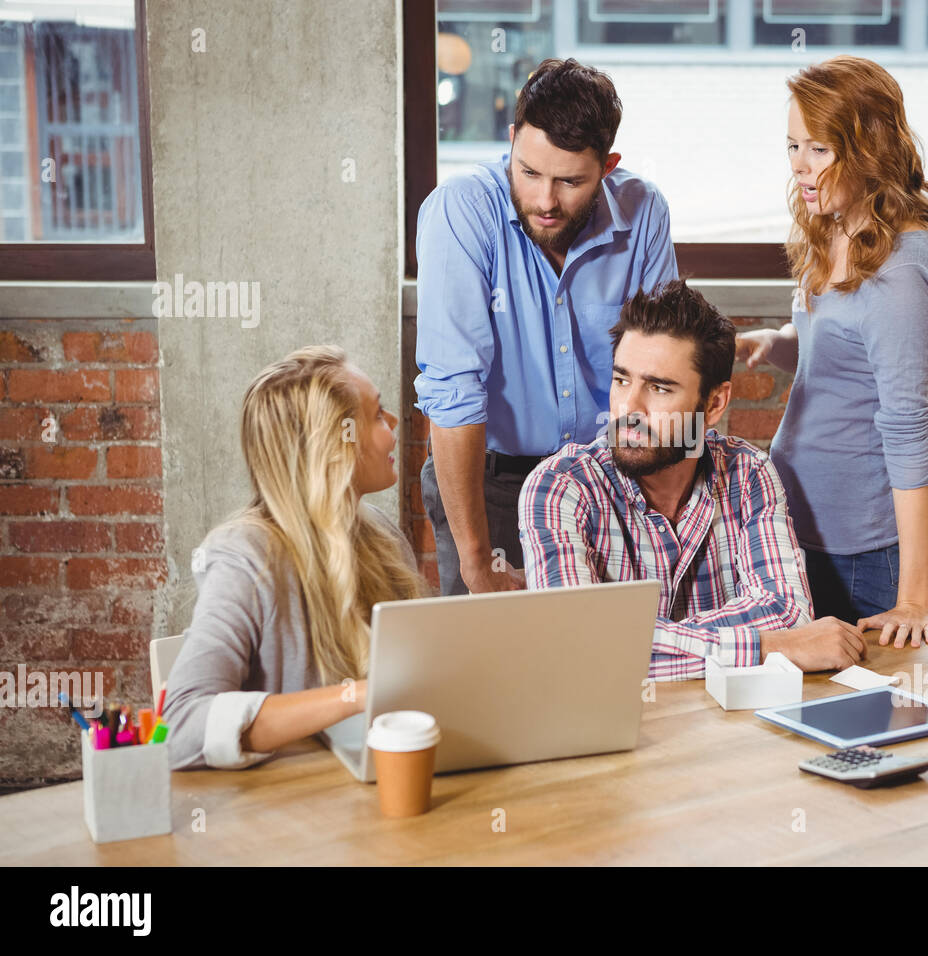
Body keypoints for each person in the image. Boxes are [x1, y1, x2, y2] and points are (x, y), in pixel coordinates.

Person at [415, 57, 677, 597]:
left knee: (604, 661)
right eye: (529, 171)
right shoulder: (460, 212)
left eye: (570, 181)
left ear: (608, 167)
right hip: (489, 483)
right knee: (490, 668)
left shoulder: (644, 211)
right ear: (512, 139)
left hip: (607, 479)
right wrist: (477, 562)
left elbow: (664, 369)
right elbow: (453, 392)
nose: (544, 201)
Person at [520, 279, 867, 680]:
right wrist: (770, 647)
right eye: (621, 380)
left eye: (658, 388)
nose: (629, 408)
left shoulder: (748, 473)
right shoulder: (559, 487)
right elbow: (579, 645)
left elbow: (786, 610)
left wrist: (636, 645)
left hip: (728, 729)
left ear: (714, 403)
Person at [736, 56, 928, 650]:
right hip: (794, 526)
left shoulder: (901, 271)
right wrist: (777, 344)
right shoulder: (833, 224)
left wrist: (912, 598)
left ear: (868, 149)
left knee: (867, 728)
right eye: (793, 146)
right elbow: (838, 359)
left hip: (858, 553)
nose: (800, 167)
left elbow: (908, 434)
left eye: (818, 150)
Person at [166, 347, 429, 770]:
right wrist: (356, 696)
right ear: (336, 442)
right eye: (378, 414)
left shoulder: (380, 533)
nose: (395, 423)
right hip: (279, 813)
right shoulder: (245, 558)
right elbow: (178, 727)